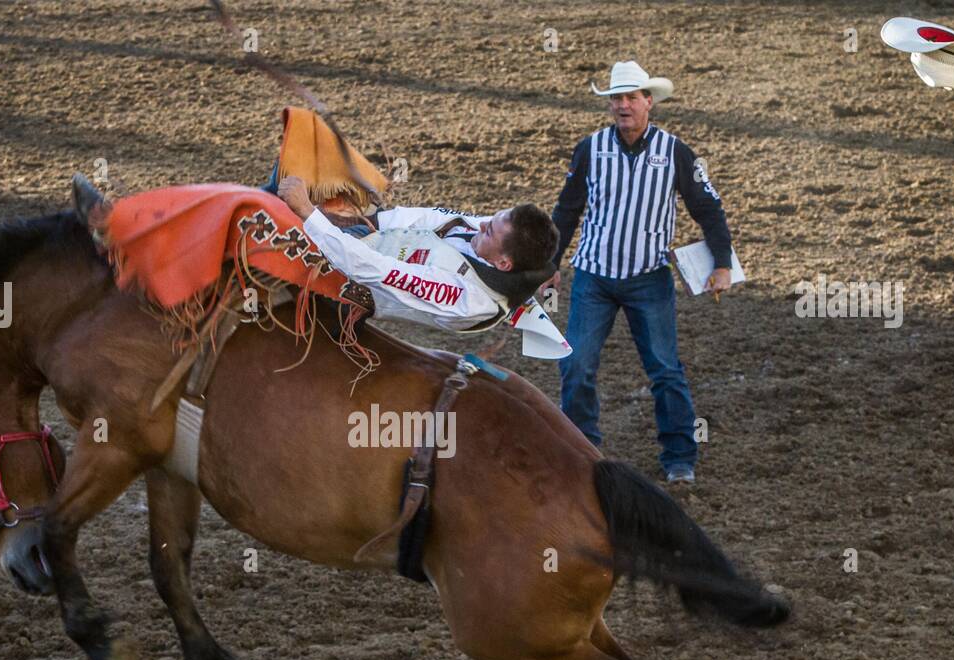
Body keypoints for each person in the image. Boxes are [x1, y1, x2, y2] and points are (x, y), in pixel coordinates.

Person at [547, 60, 735, 484]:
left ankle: (680, 457)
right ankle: (584, 452)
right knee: (575, 365)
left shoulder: (676, 152)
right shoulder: (590, 149)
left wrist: (722, 263)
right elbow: (567, 209)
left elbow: (708, 207)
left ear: (649, 102)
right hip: (593, 275)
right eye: (617, 98)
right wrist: (550, 265)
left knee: (665, 369)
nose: (624, 105)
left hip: (649, 277)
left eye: (632, 97)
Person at [276, 175, 557, 333]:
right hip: (369, 238)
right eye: (490, 219)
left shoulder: (467, 299)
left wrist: (309, 213)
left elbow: (372, 269)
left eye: (489, 231)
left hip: (344, 284)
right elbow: (432, 217)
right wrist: (376, 220)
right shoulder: (495, 242)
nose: (480, 224)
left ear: (503, 264)